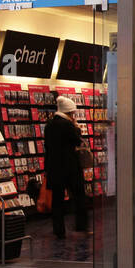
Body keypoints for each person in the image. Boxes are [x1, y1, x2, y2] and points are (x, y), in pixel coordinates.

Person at [44, 96, 88, 239]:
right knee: (79, 195)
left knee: (57, 200)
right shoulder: (68, 125)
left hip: (54, 167)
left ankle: (59, 230)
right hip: (70, 167)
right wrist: (76, 127)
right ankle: (81, 226)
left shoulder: (49, 125)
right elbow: (76, 141)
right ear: (69, 113)